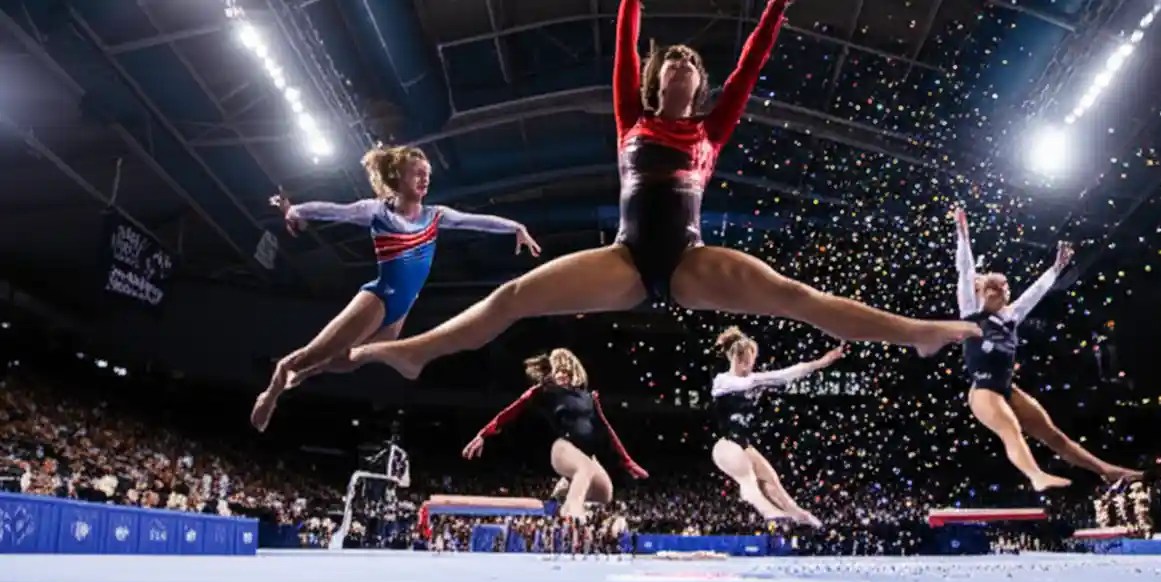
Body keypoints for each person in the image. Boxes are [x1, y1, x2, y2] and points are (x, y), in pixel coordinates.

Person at [339, 0, 978, 382]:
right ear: (655, 76)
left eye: (694, 64)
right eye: (672, 59)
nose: (682, 63)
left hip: (692, 258)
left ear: (700, 86)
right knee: (512, 296)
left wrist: (777, 6)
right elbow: (625, 32)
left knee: (794, 297)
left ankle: (917, 331)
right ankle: (416, 353)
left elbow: (752, 60)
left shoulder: (710, 128)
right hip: (624, 258)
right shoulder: (631, 117)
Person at [250, 145, 540, 431]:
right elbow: (333, 211)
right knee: (315, 354)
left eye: (427, 174)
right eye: (417, 173)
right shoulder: (376, 211)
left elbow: (474, 221)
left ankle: (303, 374)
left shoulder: (435, 215)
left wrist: (515, 227)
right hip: (379, 299)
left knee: (348, 362)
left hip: (401, 310)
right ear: (398, 177)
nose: (425, 179)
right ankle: (273, 390)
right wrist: (295, 211)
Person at [953, 206, 1141, 491]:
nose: (1002, 292)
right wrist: (963, 235)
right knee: (1010, 430)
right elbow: (966, 269)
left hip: (1006, 388)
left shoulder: (1011, 316)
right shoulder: (970, 310)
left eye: (1004, 290)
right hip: (983, 391)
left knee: (1055, 437)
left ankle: (1108, 470)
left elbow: (1035, 293)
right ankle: (1035, 475)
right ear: (981, 293)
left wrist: (1056, 268)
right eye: (993, 289)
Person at [460, 349, 648, 520]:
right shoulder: (546, 391)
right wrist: (483, 434)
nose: (562, 376)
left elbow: (607, 429)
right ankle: (571, 510)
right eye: (558, 372)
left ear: (575, 373)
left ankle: (565, 491)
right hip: (563, 449)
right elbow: (512, 410)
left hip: (587, 457)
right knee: (585, 469)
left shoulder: (589, 398)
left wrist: (627, 461)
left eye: (566, 372)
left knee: (604, 493)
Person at [711, 326, 841, 527]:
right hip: (725, 446)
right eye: (742, 360)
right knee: (748, 479)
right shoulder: (722, 381)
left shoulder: (754, 379)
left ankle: (801, 517)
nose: (746, 365)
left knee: (774, 484)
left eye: (750, 360)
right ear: (732, 358)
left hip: (744, 445)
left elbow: (788, 373)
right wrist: (762, 380)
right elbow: (743, 385)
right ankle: (770, 513)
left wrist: (821, 362)